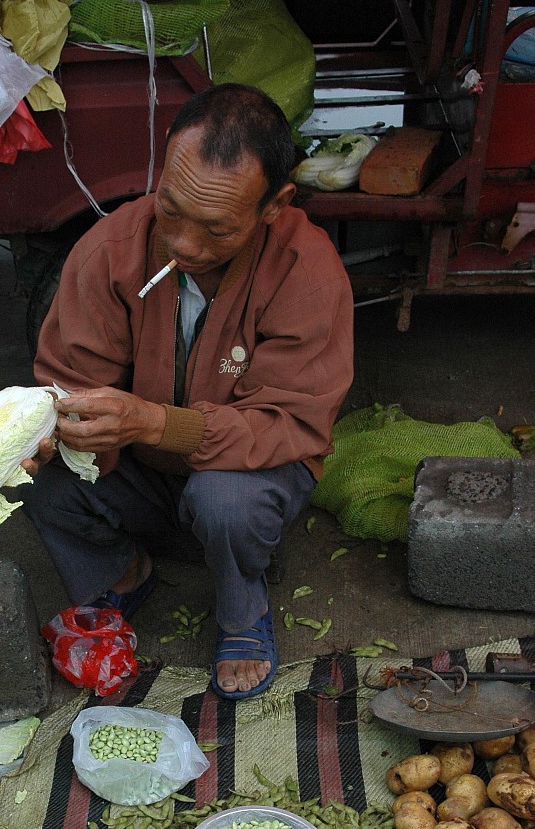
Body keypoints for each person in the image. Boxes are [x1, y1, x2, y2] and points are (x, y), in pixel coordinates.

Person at [20, 82, 353, 700]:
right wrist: (56, 426)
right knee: (36, 471)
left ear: (275, 205)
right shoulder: (112, 249)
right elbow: (69, 377)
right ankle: (124, 570)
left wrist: (155, 423)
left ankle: (241, 608)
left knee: (227, 502)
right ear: (162, 166)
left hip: (248, 469)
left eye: (217, 229)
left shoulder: (307, 272)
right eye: (171, 209)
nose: (185, 245)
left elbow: (289, 423)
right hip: (140, 469)